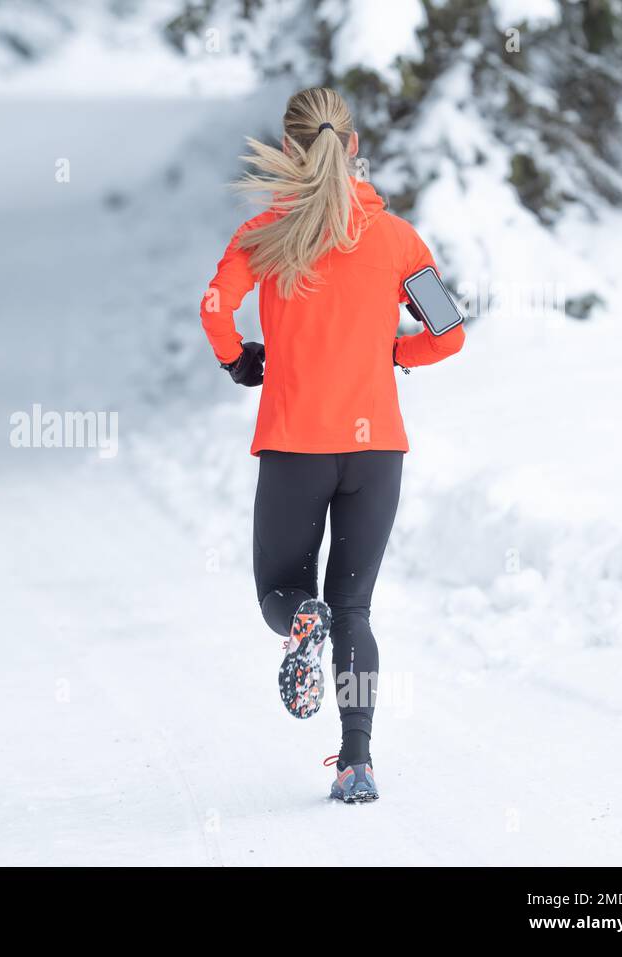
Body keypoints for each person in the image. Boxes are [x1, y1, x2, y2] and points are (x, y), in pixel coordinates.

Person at [199, 87, 465, 803]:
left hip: (295, 448)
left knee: (279, 593)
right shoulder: (399, 239)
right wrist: (393, 356)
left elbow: (215, 305)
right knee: (355, 609)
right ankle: (356, 761)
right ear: (353, 149)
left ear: (290, 151)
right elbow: (451, 331)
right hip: (376, 453)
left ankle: (298, 618)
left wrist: (238, 360)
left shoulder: (263, 234)